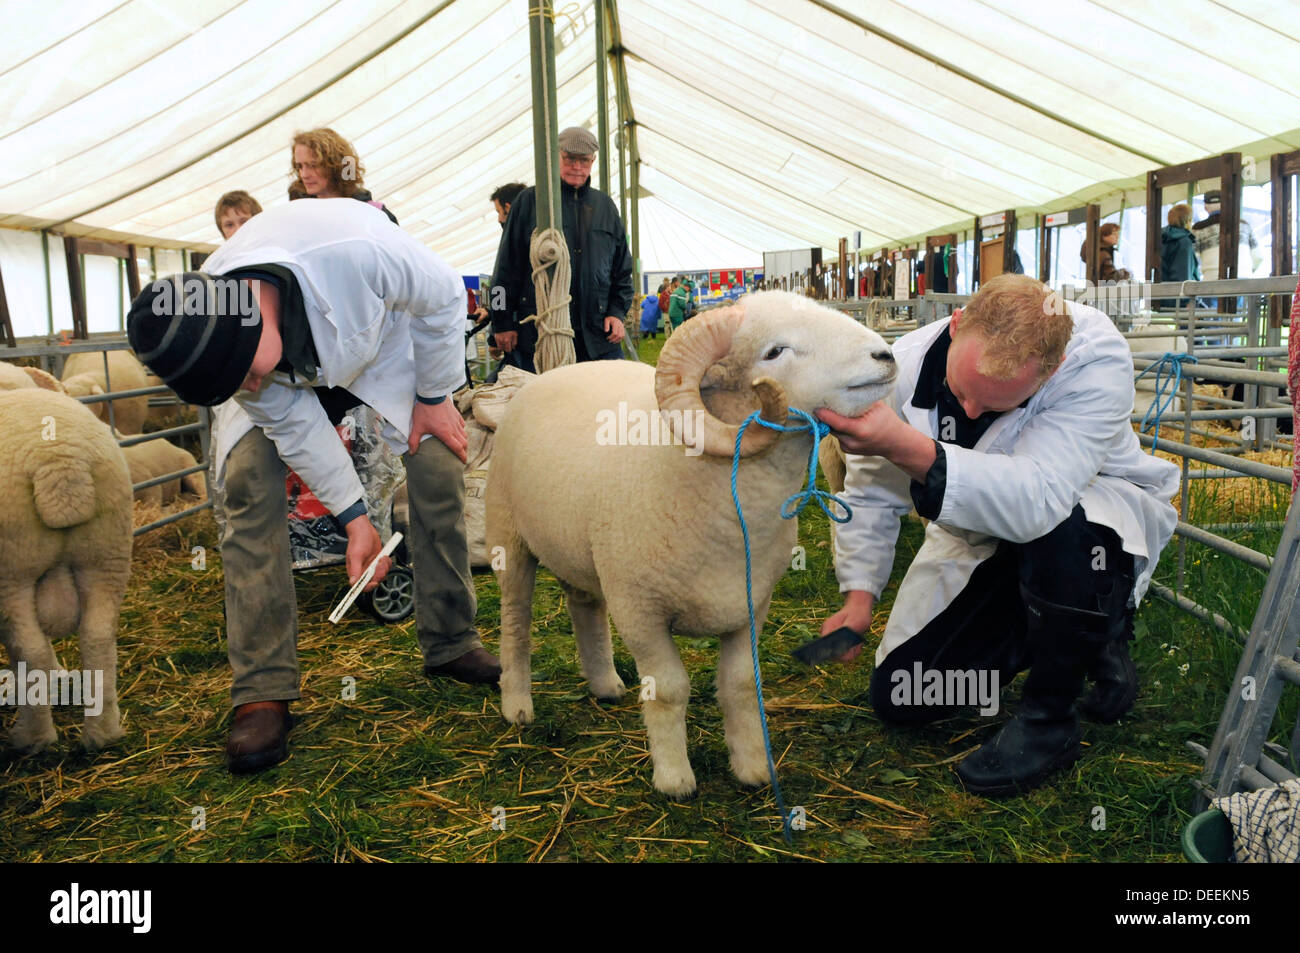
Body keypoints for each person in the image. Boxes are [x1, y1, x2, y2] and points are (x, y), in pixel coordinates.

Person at [126, 199, 498, 775]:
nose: (252, 383)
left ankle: (451, 639)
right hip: (301, 365)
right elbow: (296, 425)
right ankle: (262, 690)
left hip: (383, 347)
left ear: (251, 315)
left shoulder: (357, 252)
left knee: (438, 464)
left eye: (246, 371)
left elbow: (447, 295)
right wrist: (356, 522)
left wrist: (431, 399)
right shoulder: (222, 342)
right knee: (247, 478)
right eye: (239, 383)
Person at [819, 273, 1179, 796]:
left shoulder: (1094, 358)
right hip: (976, 539)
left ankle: (1049, 715)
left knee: (1059, 532)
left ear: (1049, 371)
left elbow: (1040, 499)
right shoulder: (906, 364)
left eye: (994, 406)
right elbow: (872, 491)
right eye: (963, 393)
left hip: (1088, 522)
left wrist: (908, 447)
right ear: (958, 323)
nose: (968, 413)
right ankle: (1069, 635)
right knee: (904, 695)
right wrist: (859, 597)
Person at [490, 126, 633, 369]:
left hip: (597, 337)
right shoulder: (529, 202)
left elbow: (622, 271)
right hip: (541, 335)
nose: (577, 167)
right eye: (570, 159)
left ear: (593, 161)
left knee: (608, 400)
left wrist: (617, 313)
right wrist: (501, 324)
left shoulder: (605, 206)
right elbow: (503, 270)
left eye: (584, 161)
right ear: (556, 157)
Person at [290, 128, 399, 224]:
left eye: (313, 165)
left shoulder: (376, 215)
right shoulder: (299, 215)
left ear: (336, 165)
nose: (304, 174)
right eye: (299, 166)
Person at [1159, 203, 1200, 309]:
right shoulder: (1184, 241)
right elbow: (1184, 274)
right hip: (1181, 299)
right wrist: (1187, 300)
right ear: (1187, 221)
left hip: (1163, 296)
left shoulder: (1162, 238)